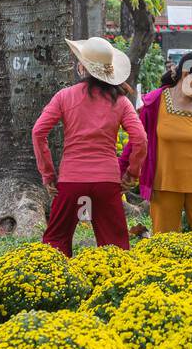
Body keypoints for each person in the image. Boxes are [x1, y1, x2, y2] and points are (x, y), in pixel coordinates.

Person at [33, 37, 146, 255]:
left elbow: (38, 132)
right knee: (115, 246)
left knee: (56, 242)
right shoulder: (121, 101)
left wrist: (48, 175)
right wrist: (131, 174)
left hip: (70, 180)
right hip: (107, 181)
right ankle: (113, 285)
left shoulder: (64, 96)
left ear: (81, 67)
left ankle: (59, 284)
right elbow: (140, 138)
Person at [121, 52, 192, 235]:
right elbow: (138, 140)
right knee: (164, 245)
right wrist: (123, 169)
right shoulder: (155, 103)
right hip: (164, 187)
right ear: (186, 75)